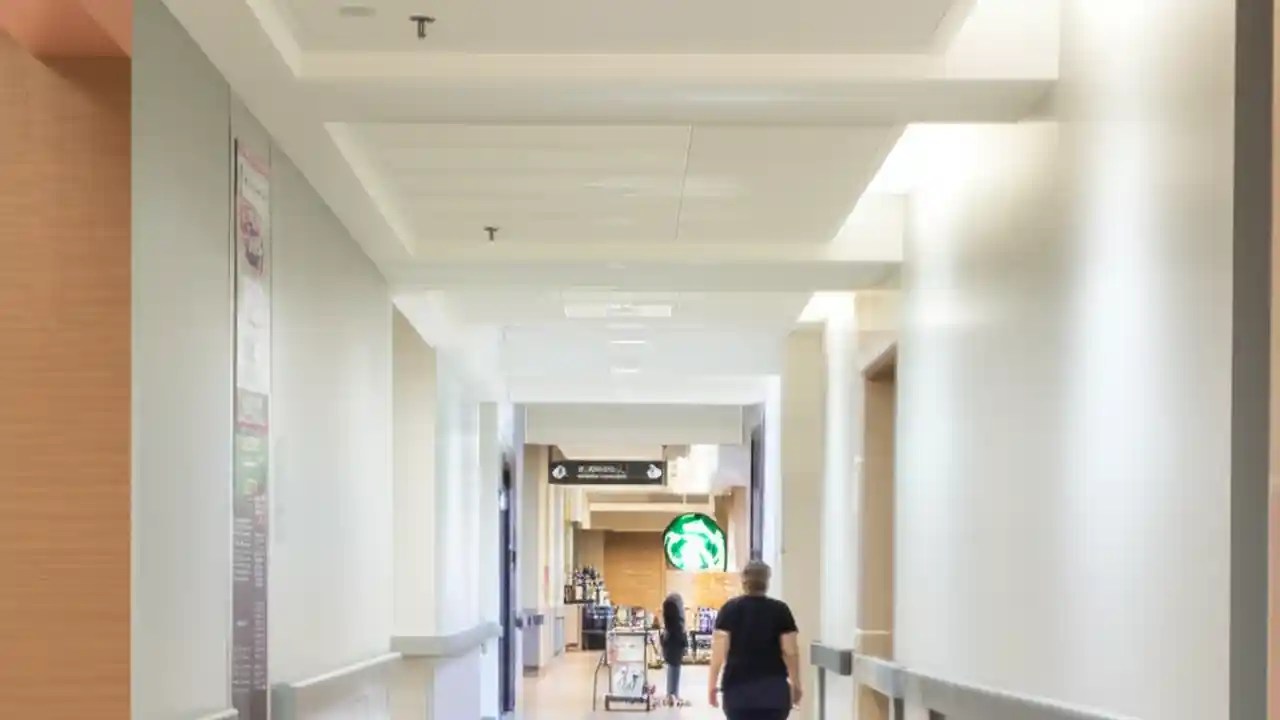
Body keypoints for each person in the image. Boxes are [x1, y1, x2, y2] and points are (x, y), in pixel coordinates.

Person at [707, 560, 801, 720]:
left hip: (737, 691)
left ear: (744, 581)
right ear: (767, 581)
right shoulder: (780, 610)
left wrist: (712, 686)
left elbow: (718, 654)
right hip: (773, 691)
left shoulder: (729, 609)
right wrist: (796, 683)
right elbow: (790, 651)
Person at [661, 592, 691, 707]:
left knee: (672, 668)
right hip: (676, 643)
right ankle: (673, 695)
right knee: (675, 669)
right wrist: (685, 643)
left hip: (669, 642)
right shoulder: (678, 623)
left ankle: (671, 694)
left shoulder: (669, 621)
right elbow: (681, 632)